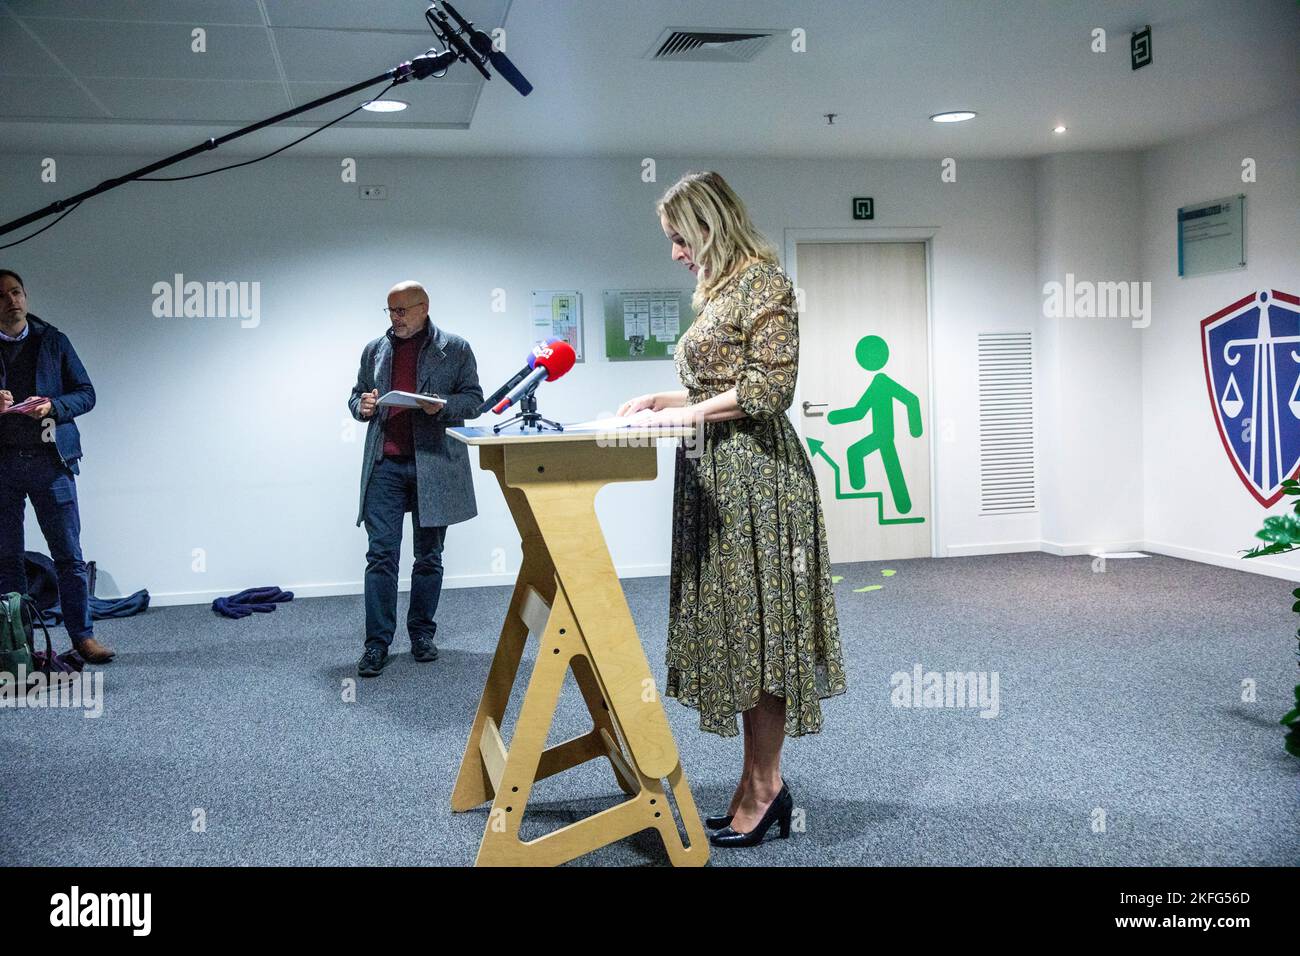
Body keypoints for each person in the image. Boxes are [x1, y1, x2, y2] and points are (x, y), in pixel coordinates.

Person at [617, 172, 847, 848]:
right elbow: (721, 380)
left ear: (708, 224)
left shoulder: (765, 283)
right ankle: (753, 783)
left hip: (759, 482)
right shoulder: (722, 291)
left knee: (762, 634)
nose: (675, 253)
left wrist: (690, 411)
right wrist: (669, 400)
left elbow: (769, 390)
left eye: (679, 238)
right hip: (717, 476)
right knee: (739, 633)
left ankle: (767, 785)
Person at [348, 281, 483, 677]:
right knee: (381, 556)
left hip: (433, 466)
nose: (395, 318)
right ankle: (377, 644)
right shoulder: (375, 349)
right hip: (385, 467)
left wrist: (437, 407)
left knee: (429, 557)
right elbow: (356, 395)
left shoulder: (455, 348)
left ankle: (422, 635)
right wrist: (364, 405)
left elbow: (474, 401)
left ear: (424, 307)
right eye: (390, 311)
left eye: (402, 310)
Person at [0, 269, 114, 664]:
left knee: (69, 555)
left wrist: (53, 406)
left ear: (26, 297)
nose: (11, 300)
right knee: (7, 559)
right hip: (3, 467)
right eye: (2, 296)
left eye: (16, 292)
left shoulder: (53, 341)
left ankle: (83, 638)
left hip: (52, 462)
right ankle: (19, 645)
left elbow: (86, 394)